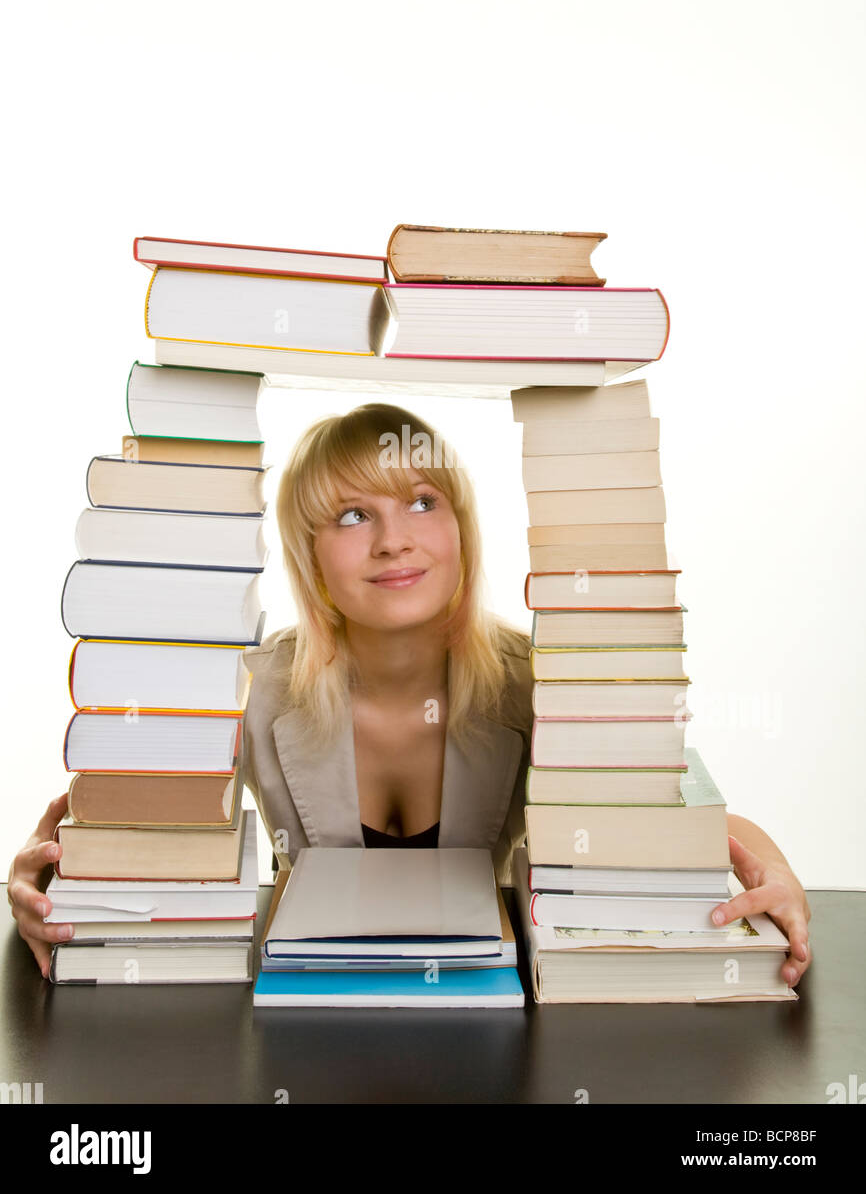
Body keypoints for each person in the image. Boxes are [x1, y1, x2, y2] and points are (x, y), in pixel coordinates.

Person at [8, 402, 812, 989]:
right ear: (309, 556)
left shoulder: (541, 682)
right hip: (308, 1017)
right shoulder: (253, 691)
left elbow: (670, 812)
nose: (395, 539)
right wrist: (51, 880)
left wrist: (777, 875)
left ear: (460, 526)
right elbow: (134, 816)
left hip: (490, 1018)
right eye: (354, 515)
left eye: (423, 503)